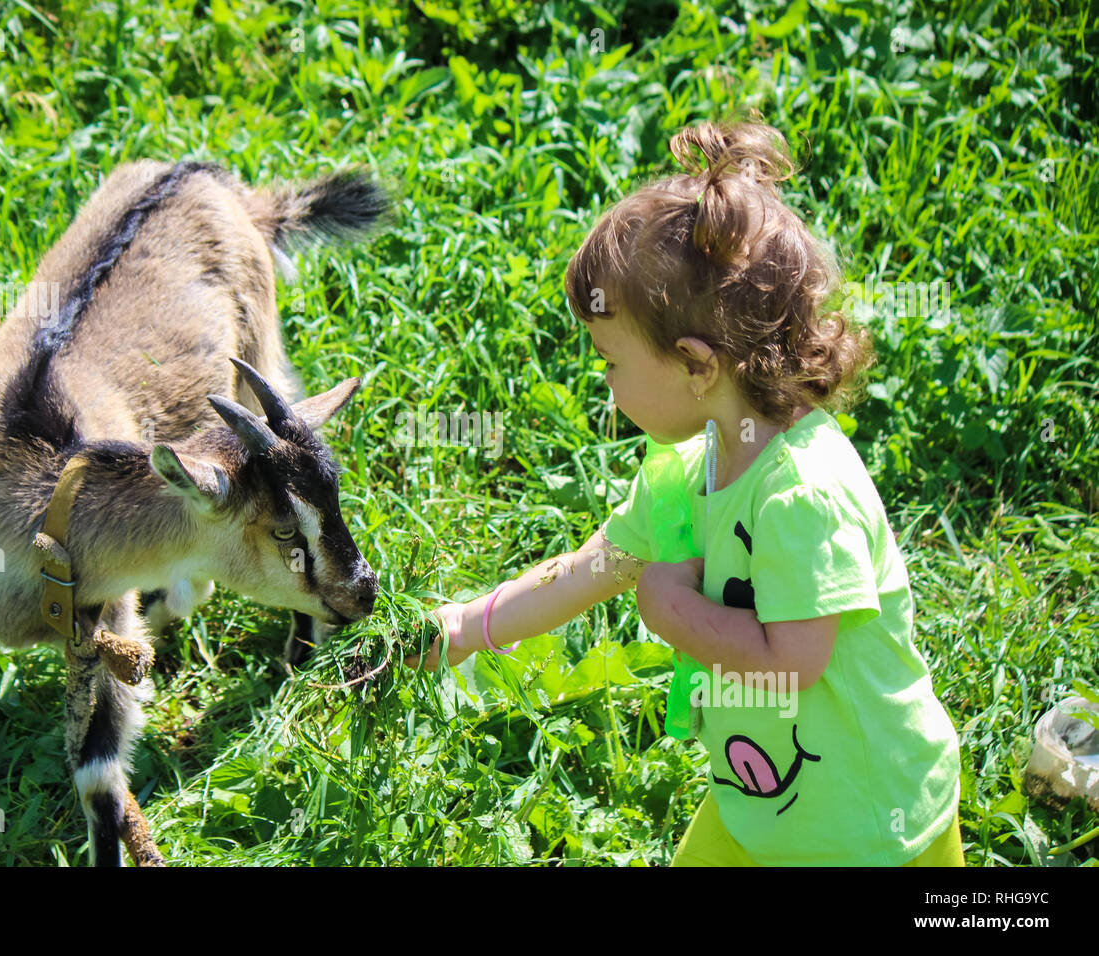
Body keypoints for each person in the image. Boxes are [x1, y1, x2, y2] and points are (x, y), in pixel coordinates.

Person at [402, 118, 964, 866]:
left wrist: (671, 610)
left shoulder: (801, 494)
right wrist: (463, 629)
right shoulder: (688, 471)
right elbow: (592, 566)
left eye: (609, 361)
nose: (605, 388)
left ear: (696, 365)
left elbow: (795, 659)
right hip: (758, 804)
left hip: (868, 824)